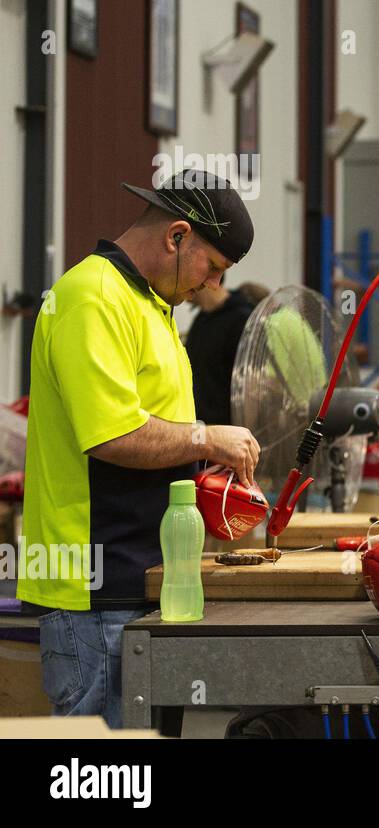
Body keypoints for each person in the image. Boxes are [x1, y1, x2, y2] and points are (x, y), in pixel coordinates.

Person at [19, 170, 260, 728]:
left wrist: (212, 483)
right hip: (96, 588)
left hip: (142, 579)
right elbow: (112, 435)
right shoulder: (93, 297)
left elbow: (159, 434)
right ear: (177, 236)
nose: (210, 285)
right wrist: (208, 437)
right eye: (213, 267)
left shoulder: (151, 305)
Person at [187, 275, 258, 426]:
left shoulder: (242, 320)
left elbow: (251, 389)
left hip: (227, 431)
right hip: (199, 428)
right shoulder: (201, 319)